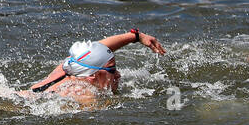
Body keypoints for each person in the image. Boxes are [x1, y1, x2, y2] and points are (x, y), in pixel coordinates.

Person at [23, 28, 165, 106]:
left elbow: (96, 50)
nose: (118, 75)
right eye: (112, 70)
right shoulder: (85, 95)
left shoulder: (68, 68)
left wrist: (135, 37)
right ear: (92, 76)